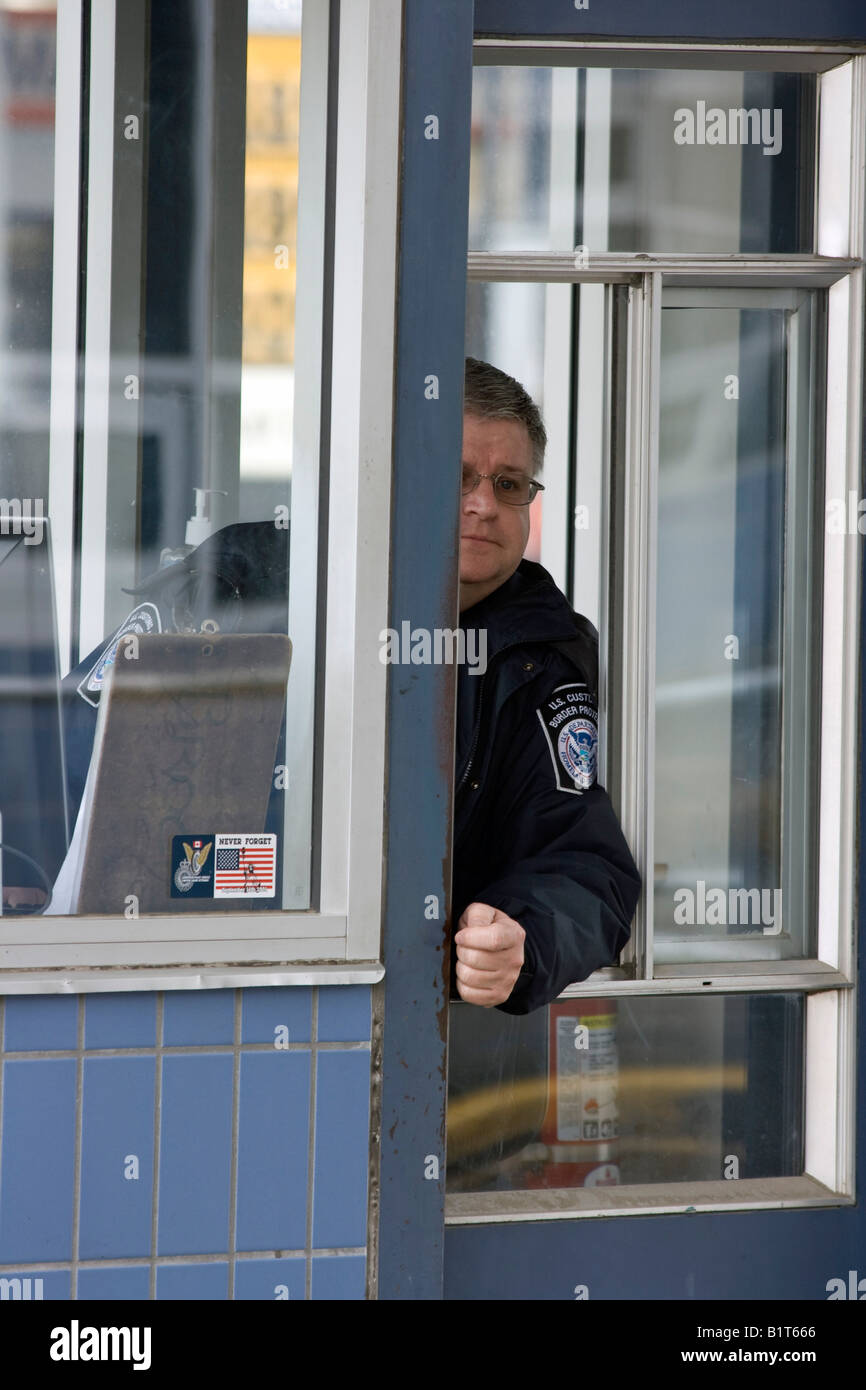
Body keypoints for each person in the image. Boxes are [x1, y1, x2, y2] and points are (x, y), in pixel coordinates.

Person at [451, 358, 641, 1015]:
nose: (483, 504)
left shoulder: (542, 657)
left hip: (440, 1041)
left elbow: (589, 868)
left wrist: (521, 939)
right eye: (458, 477)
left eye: (509, 485)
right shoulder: (250, 586)